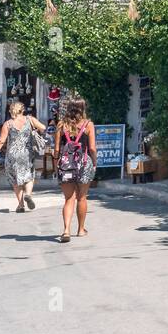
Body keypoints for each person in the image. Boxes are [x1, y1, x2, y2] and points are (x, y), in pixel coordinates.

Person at [54, 100, 96, 243]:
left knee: (68, 199)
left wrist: (56, 165)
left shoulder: (61, 125)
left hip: (66, 165)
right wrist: (94, 163)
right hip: (84, 164)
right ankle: (81, 229)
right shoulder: (88, 125)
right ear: (83, 108)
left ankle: (66, 230)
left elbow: (57, 150)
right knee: (82, 197)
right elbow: (92, 149)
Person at [0, 101, 44, 211]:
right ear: (23, 110)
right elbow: (43, 127)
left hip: (12, 155)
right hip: (26, 153)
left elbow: (1, 141)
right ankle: (28, 194)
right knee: (29, 175)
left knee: (15, 180)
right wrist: (34, 130)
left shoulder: (8, 124)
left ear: (11, 111)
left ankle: (20, 205)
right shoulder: (29, 119)